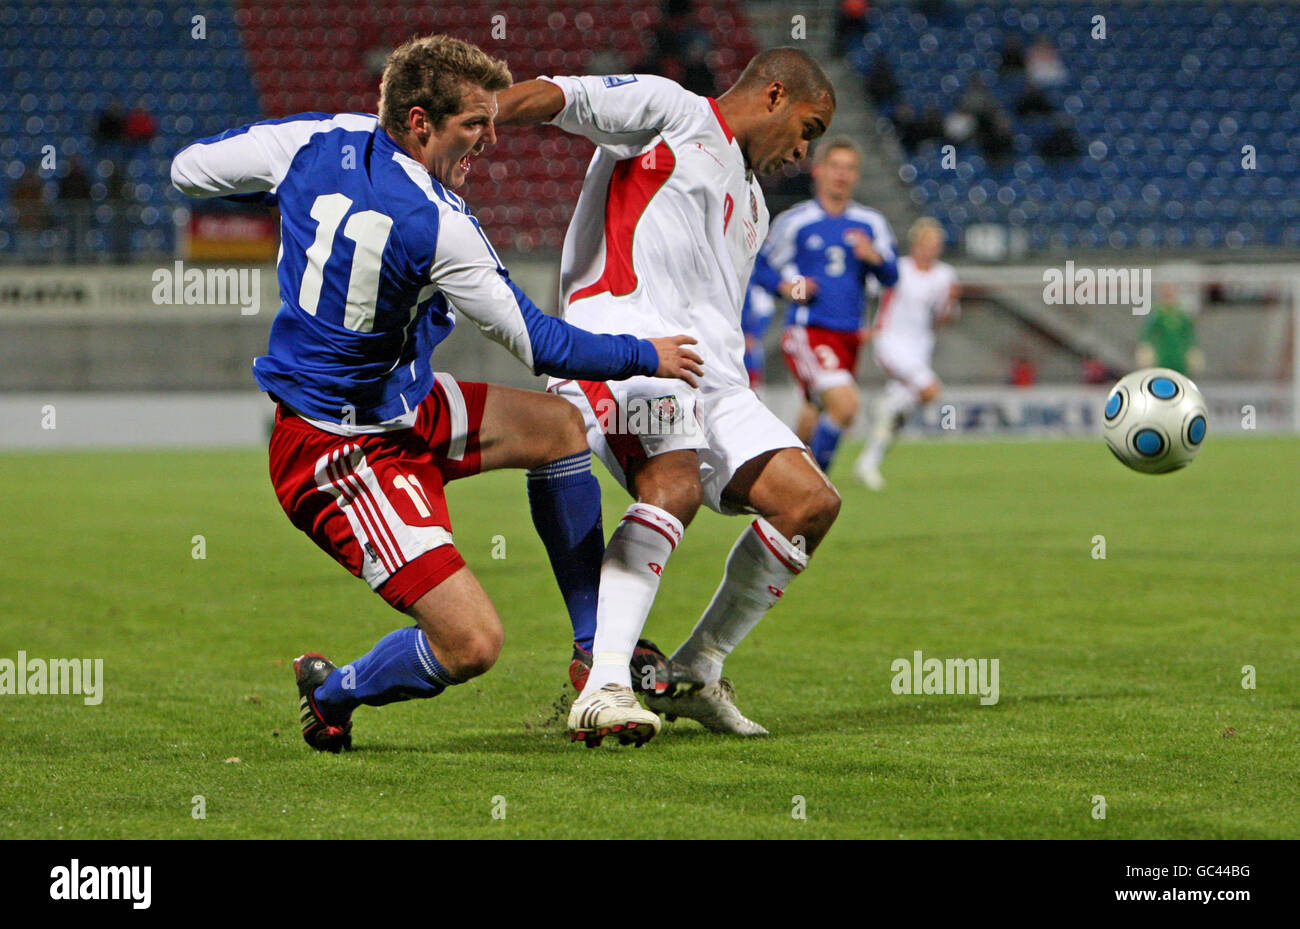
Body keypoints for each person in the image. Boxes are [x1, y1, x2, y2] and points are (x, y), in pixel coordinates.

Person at [170, 35, 703, 752]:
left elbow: (187, 170)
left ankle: (592, 651)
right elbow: (543, 343)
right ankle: (331, 691)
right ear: (420, 123)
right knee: (473, 642)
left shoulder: (313, 139)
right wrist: (649, 354)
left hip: (405, 404)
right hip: (340, 453)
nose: (489, 140)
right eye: (473, 126)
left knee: (559, 427)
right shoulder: (439, 223)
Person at [495, 47, 842, 741]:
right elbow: (557, 96)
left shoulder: (755, 210)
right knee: (673, 484)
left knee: (810, 504)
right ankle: (603, 687)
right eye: (808, 127)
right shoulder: (669, 112)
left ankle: (695, 670)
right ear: (774, 95)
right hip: (624, 345)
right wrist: (469, 115)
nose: (803, 151)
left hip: (714, 379)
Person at [752, 137, 898, 475]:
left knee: (810, 419)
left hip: (849, 336)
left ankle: (778, 483)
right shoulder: (797, 221)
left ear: (857, 176)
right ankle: (815, 488)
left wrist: (874, 257)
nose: (842, 175)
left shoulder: (870, 223)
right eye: (835, 167)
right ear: (818, 171)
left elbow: (892, 276)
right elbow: (759, 266)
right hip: (810, 329)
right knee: (845, 407)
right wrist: (789, 286)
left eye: (849, 169)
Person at [855, 218, 959, 490]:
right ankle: (886, 408)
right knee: (930, 390)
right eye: (926, 242)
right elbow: (871, 295)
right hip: (890, 342)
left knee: (899, 413)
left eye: (936, 244)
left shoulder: (944, 275)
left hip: (921, 348)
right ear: (915, 243)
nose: (931, 249)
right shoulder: (898, 269)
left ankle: (868, 462)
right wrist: (864, 328)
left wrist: (949, 303)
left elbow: (941, 318)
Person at [1137, 284, 1203, 376]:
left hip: (1180, 356)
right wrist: (1146, 349)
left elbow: (1189, 334)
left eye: (1171, 292)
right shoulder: (1157, 314)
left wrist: (1193, 351)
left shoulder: (1181, 314)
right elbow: (1148, 334)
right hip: (1162, 356)